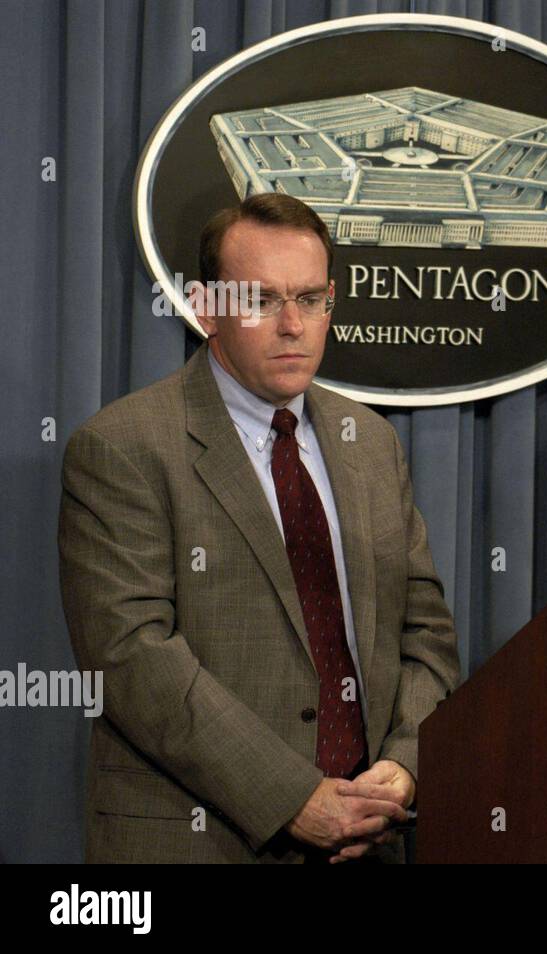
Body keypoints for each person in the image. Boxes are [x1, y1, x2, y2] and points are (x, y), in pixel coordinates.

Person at [58, 193, 460, 862]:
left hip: (369, 837)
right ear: (205, 305)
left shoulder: (371, 445)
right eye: (262, 301)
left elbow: (426, 635)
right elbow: (131, 657)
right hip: (198, 841)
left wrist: (404, 766)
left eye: (311, 298)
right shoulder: (123, 446)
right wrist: (291, 797)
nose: (293, 325)